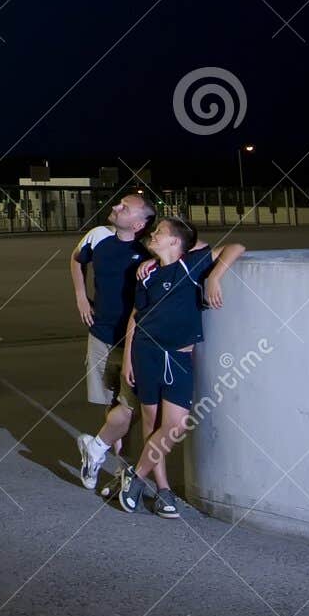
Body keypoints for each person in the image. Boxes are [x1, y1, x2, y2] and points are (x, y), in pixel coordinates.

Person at [115, 218, 245, 518]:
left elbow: (235, 246)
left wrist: (214, 278)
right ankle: (163, 490)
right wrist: (127, 361)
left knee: (175, 425)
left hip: (178, 357)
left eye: (159, 232)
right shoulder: (146, 275)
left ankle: (135, 477)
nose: (153, 234)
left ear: (174, 242)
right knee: (151, 423)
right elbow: (136, 317)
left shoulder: (192, 264)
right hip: (146, 353)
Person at [70, 190, 155, 488]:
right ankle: (112, 463)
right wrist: (81, 296)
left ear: (138, 224)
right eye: (120, 203)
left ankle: (102, 453)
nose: (117, 206)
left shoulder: (150, 254)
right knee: (111, 405)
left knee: (127, 408)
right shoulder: (98, 236)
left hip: (132, 341)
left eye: (126, 207)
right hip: (100, 333)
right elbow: (76, 259)